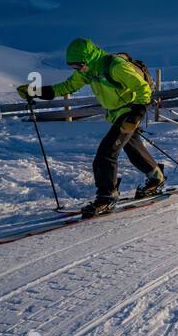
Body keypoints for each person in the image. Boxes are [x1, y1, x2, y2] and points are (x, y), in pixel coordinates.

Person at [18, 38, 164, 216]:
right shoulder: (88, 71)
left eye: (79, 65)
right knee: (132, 148)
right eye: (74, 67)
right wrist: (35, 91)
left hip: (129, 112)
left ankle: (107, 198)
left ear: (88, 59)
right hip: (117, 114)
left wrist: (136, 114)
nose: (77, 70)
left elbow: (142, 88)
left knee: (106, 153)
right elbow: (66, 87)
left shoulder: (115, 67)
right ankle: (156, 178)